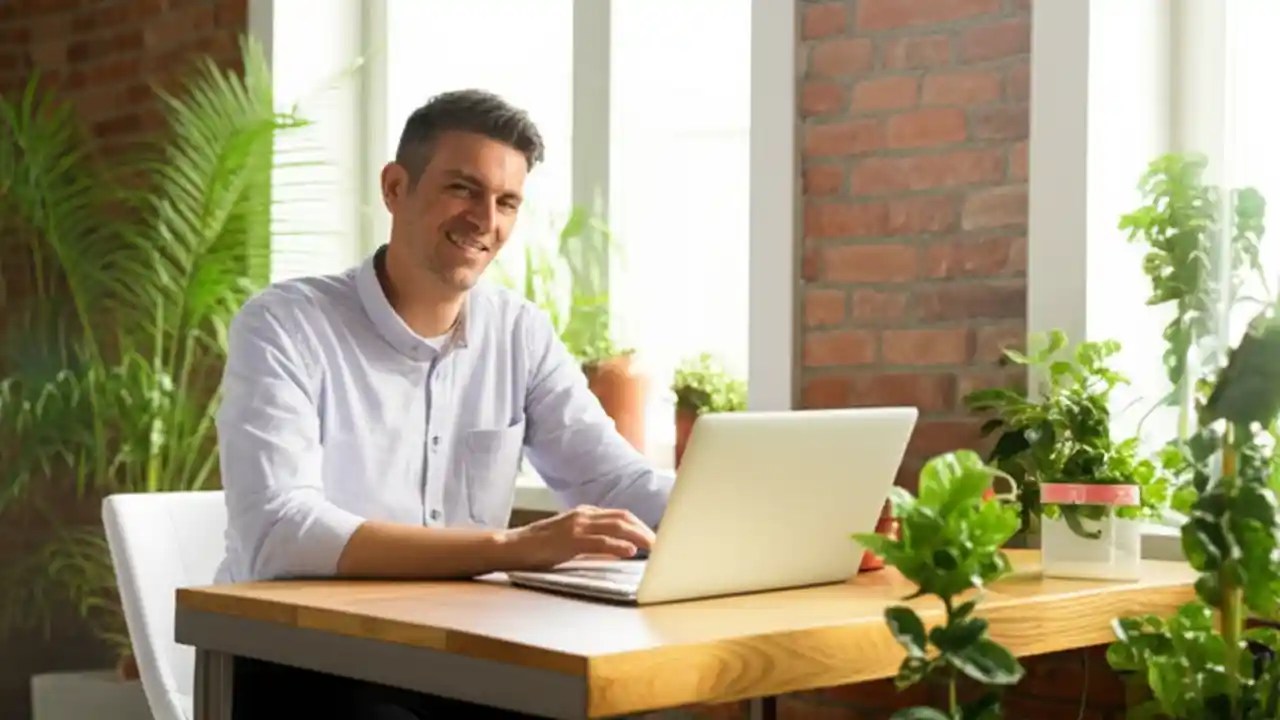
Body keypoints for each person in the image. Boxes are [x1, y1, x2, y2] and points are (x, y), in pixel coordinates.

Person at [214, 88, 673, 719]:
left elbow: (614, 478)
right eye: (463, 189)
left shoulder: (519, 333)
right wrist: (510, 547)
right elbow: (281, 531)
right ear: (396, 187)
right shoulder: (285, 325)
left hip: (464, 654)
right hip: (303, 658)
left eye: (507, 201)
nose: (486, 219)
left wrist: (770, 524)